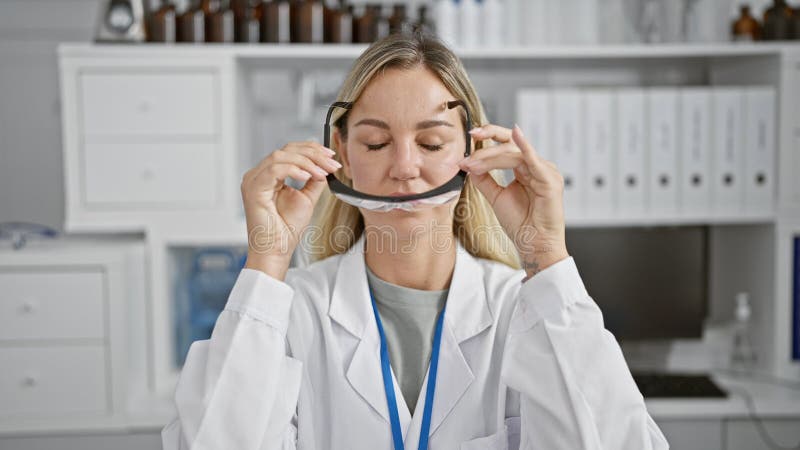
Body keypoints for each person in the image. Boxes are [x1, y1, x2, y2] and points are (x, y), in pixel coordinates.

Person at [162, 31, 669, 450]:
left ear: (472, 151)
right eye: (376, 143)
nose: (405, 169)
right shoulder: (292, 314)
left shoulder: (527, 312)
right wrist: (266, 262)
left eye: (431, 142)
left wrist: (548, 260)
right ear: (341, 152)